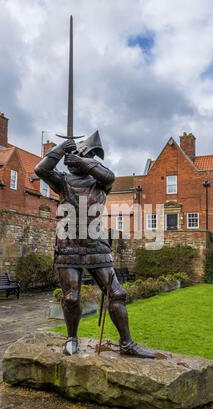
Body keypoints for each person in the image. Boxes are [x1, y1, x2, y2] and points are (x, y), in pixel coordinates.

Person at [35, 131, 155, 358]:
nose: (72, 162)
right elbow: (41, 169)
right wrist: (62, 148)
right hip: (68, 244)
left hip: (95, 245)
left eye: (78, 157)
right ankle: (72, 338)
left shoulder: (100, 184)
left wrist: (82, 160)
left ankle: (126, 343)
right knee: (71, 297)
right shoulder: (62, 182)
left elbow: (109, 176)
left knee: (116, 293)